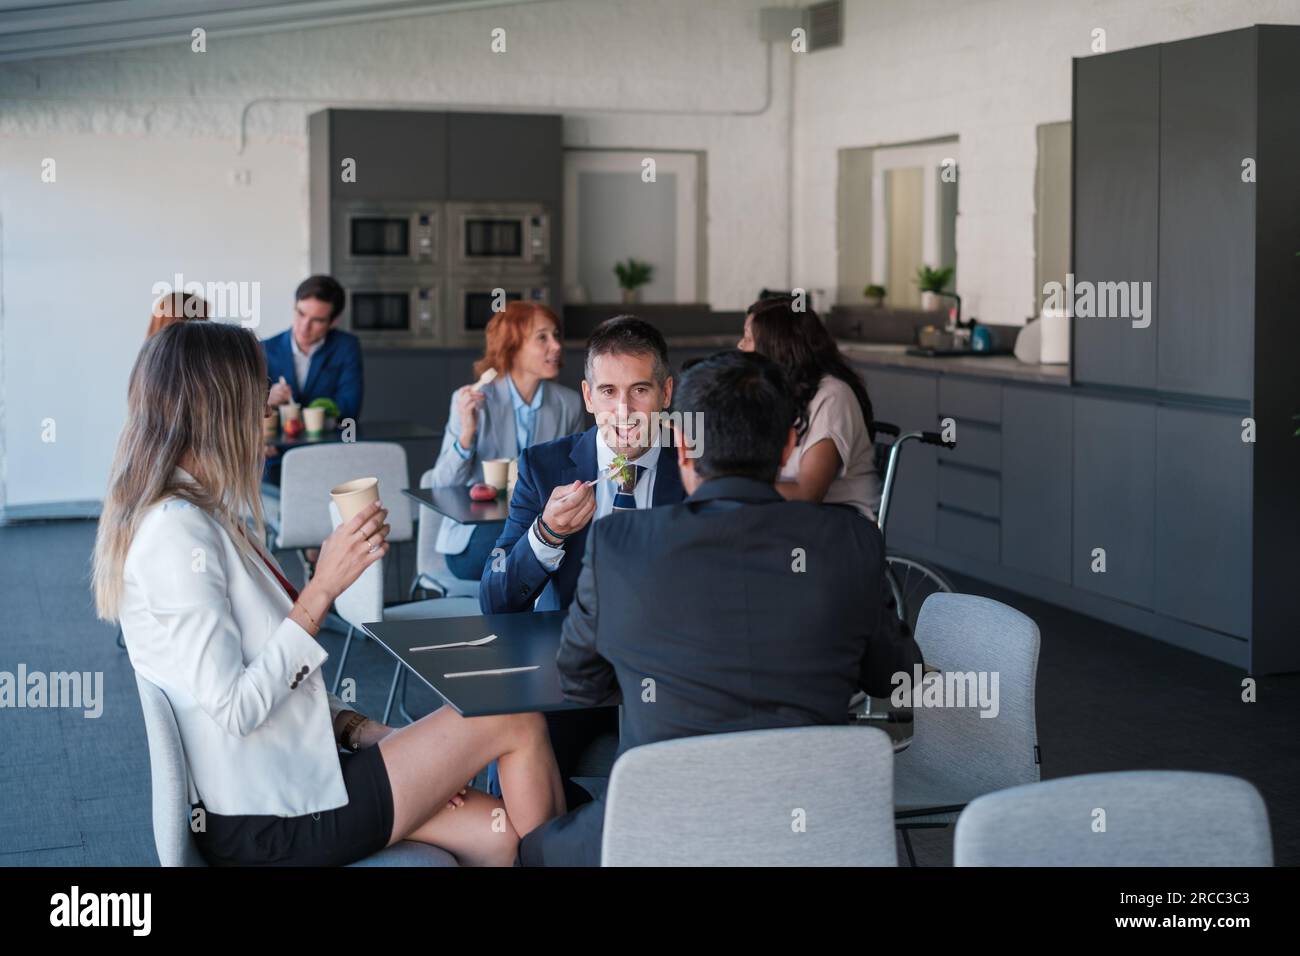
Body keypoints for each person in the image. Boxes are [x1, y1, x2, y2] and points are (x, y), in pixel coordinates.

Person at [93, 321, 563, 867]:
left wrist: (367, 732)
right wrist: (322, 589)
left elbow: (279, 678)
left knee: (499, 835)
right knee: (513, 716)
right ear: (217, 407)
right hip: (272, 818)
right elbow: (236, 708)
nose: (268, 407)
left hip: (300, 772)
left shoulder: (200, 515)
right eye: (257, 391)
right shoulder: (178, 533)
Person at [519, 350, 923, 866]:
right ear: (789, 447)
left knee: (528, 848)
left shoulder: (621, 542)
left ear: (682, 447)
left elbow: (580, 683)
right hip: (815, 831)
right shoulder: (853, 541)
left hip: (658, 828)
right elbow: (897, 681)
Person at [479, 315, 685, 804]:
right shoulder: (544, 465)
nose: (624, 410)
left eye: (640, 391)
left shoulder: (697, 464)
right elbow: (495, 597)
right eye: (609, 392)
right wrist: (546, 533)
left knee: (680, 792)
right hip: (569, 673)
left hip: (671, 674)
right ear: (588, 397)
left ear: (666, 393)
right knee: (511, 774)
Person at [428, 301, 585, 581]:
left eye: (556, 336)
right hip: (479, 537)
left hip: (543, 530)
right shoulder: (472, 401)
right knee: (535, 552)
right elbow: (441, 484)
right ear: (513, 346)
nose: (556, 346)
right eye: (542, 338)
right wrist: (466, 434)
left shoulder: (569, 404)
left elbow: (574, 479)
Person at [738, 296, 883, 519]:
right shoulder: (773, 392)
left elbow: (808, 493)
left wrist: (734, 488)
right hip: (783, 514)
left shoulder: (833, 397)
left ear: (777, 347)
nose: (740, 346)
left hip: (838, 520)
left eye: (748, 338)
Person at [261, 275, 364, 485]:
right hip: (274, 459)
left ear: (333, 321)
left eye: (317, 320)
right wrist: (266, 400)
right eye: (301, 314)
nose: (304, 326)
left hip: (327, 454)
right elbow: (242, 412)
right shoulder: (265, 349)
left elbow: (350, 408)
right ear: (294, 307)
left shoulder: (346, 347)